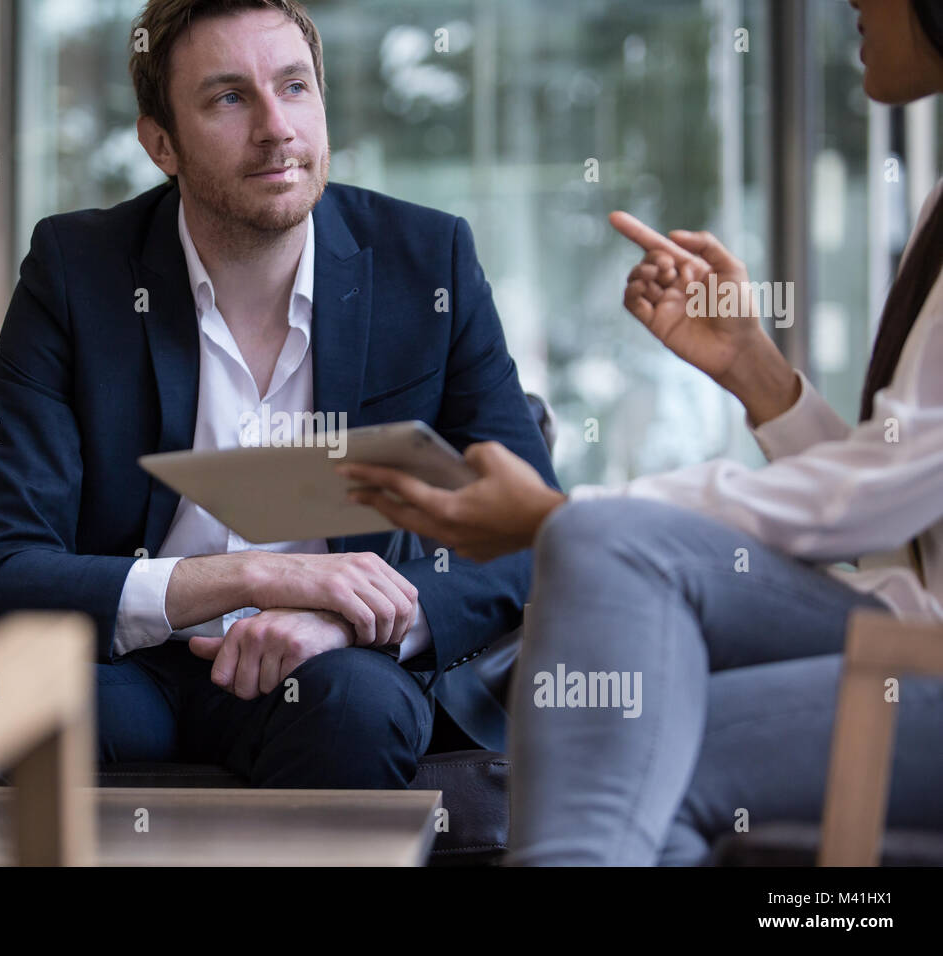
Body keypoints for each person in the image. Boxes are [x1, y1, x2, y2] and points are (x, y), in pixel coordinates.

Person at [0, 0, 557, 789]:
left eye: (294, 87)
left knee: (358, 705)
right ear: (161, 143)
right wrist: (255, 577)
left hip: (324, 669)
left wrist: (340, 618)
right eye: (229, 98)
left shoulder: (428, 262)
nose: (275, 127)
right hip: (119, 671)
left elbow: (532, 534)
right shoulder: (77, 269)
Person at [340, 0, 943, 862]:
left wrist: (563, 518)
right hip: (910, 622)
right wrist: (754, 372)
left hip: (919, 642)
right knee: (628, 726)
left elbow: (886, 497)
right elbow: (905, 494)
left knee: (632, 719)